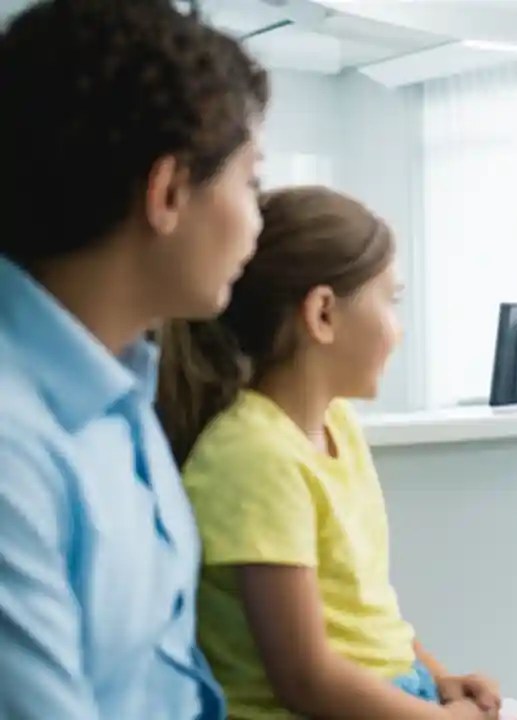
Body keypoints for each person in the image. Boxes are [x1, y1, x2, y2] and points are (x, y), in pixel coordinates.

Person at [0, 1, 267, 717]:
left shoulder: (119, 391)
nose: (257, 221)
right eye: (250, 182)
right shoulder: (13, 447)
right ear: (169, 192)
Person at [156, 186, 502, 720]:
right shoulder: (253, 455)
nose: (399, 327)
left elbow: (364, 616)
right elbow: (306, 679)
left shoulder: (337, 422)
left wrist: (440, 680)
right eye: (390, 300)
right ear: (322, 314)